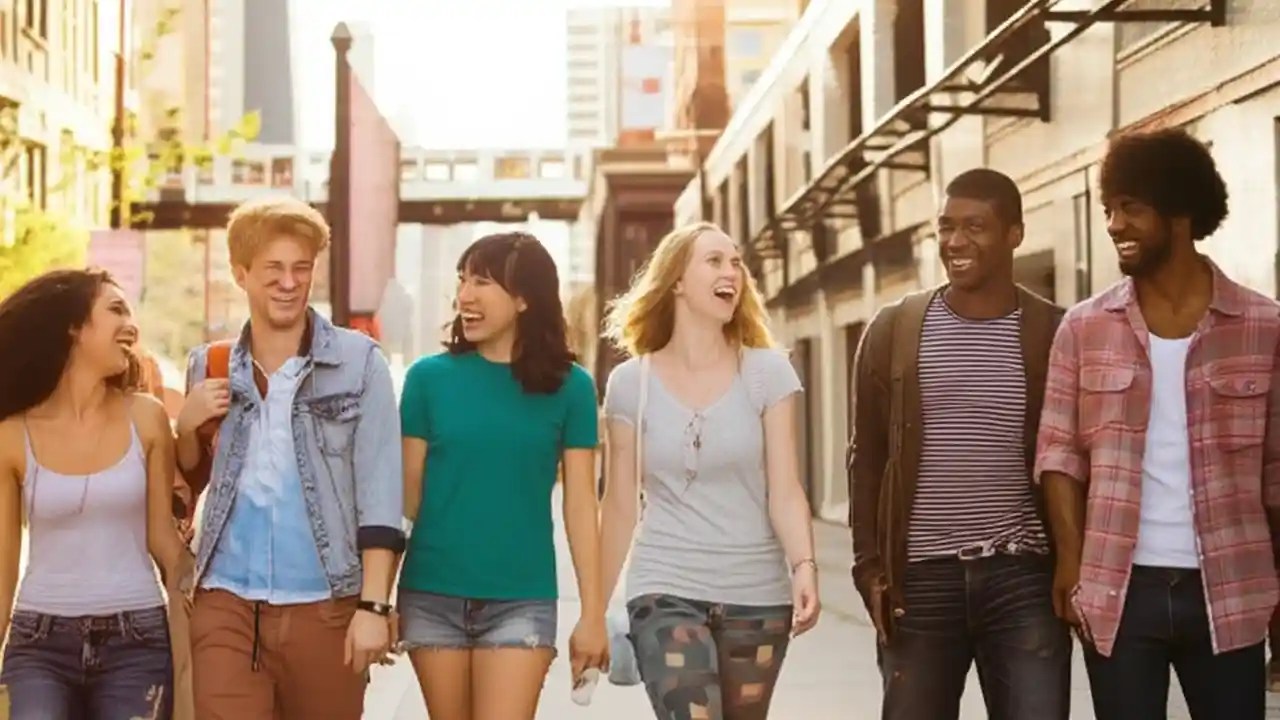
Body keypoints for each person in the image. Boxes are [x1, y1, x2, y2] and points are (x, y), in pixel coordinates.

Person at [1036, 128, 1280, 720]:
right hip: (1121, 588)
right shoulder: (1084, 327)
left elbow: (1277, 474)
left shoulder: (1263, 326)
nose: (1115, 224)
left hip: (1231, 588)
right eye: (1109, 209)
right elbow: (1059, 453)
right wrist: (1070, 562)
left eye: (1131, 208)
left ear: (1179, 215)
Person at [848, 169, 1071, 719]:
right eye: (946, 227)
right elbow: (867, 460)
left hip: (1023, 578)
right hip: (921, 581)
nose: (955, 242)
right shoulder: (894, 330)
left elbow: (1076, 459)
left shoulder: (1055, 332)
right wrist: (868, 568)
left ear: (1015, 234)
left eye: (975, 227)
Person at [174, 196, 403, 719]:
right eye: (273, 268)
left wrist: (373, 605)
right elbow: (190, 479)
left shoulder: (358, 362)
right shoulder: (206, 365)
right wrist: (184, 426)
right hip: (226, 605)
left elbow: (381, 491)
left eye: (302, 268)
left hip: (325, 605)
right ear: (241, 273)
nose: (289, 282)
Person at [598, 221, 820, 720]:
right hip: (665, 586)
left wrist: (803, 565)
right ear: (676, 281)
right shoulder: (631, 383)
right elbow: (617, 505)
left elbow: (785, 489)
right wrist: (593, 611)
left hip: (757, 594)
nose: (732, 272)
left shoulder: (769, 372)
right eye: (715, 261)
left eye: (736, 262)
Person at [397, 231, 608, 719]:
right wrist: (376, 600)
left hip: (522, 599)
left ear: (524, 298)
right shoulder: (427, 381)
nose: (464, 295)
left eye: (482, 282)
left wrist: (593, 613)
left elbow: (581, 506)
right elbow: (406, 498)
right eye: (462, 280)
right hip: (432, 594)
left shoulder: (571, 389)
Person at [0, 268, 193, 720]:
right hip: (38, 645)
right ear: (74, 326)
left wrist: (206, 589)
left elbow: (162, 540)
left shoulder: (146, 418)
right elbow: (3, 566)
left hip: (137, 640)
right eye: (116, 309)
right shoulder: (11, 436)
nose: (132, 325)